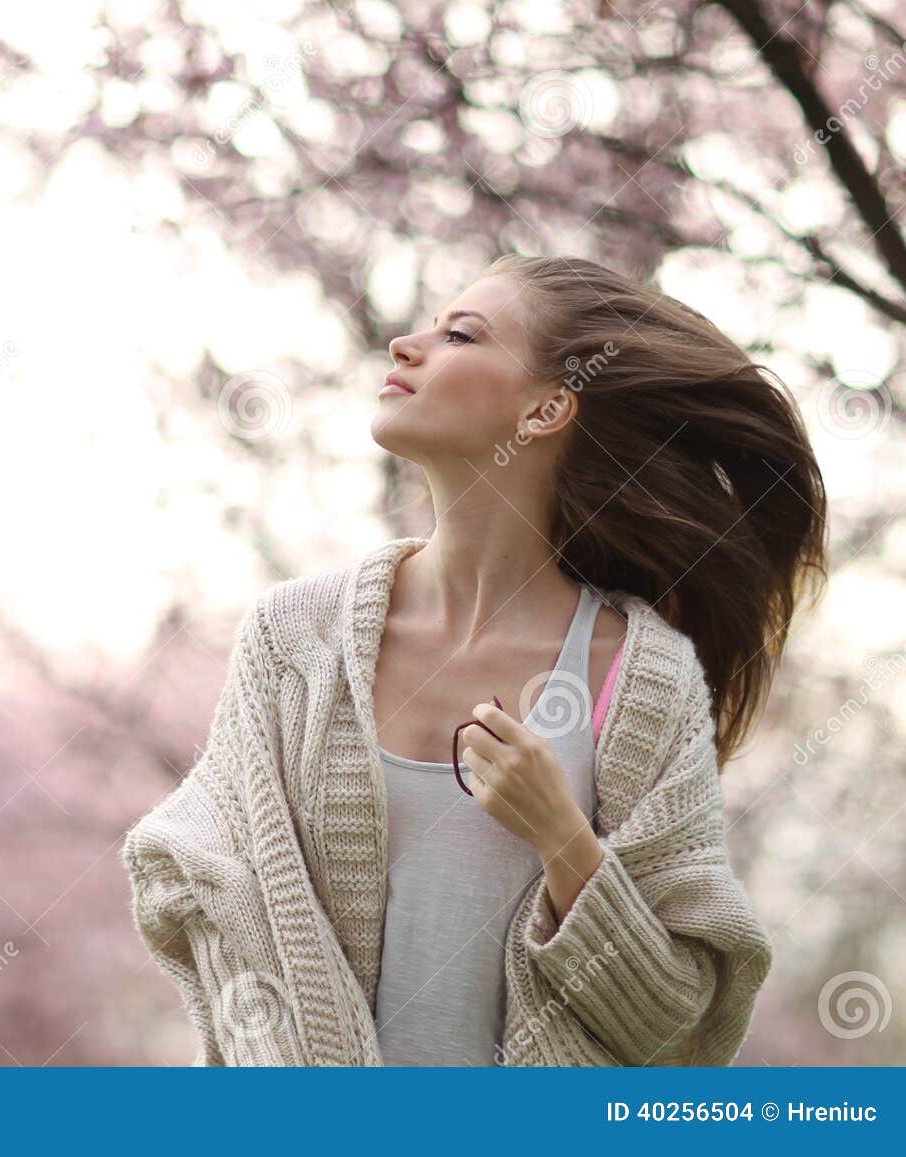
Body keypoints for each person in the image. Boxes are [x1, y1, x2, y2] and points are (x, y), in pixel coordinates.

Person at [120, 254, 828, 1066]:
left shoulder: (644, 677)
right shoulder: (294, 637)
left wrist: (565, 838)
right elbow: (192, 876)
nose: (404, 344)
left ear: (548, 405)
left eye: (459, 333)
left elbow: (675, 1017)